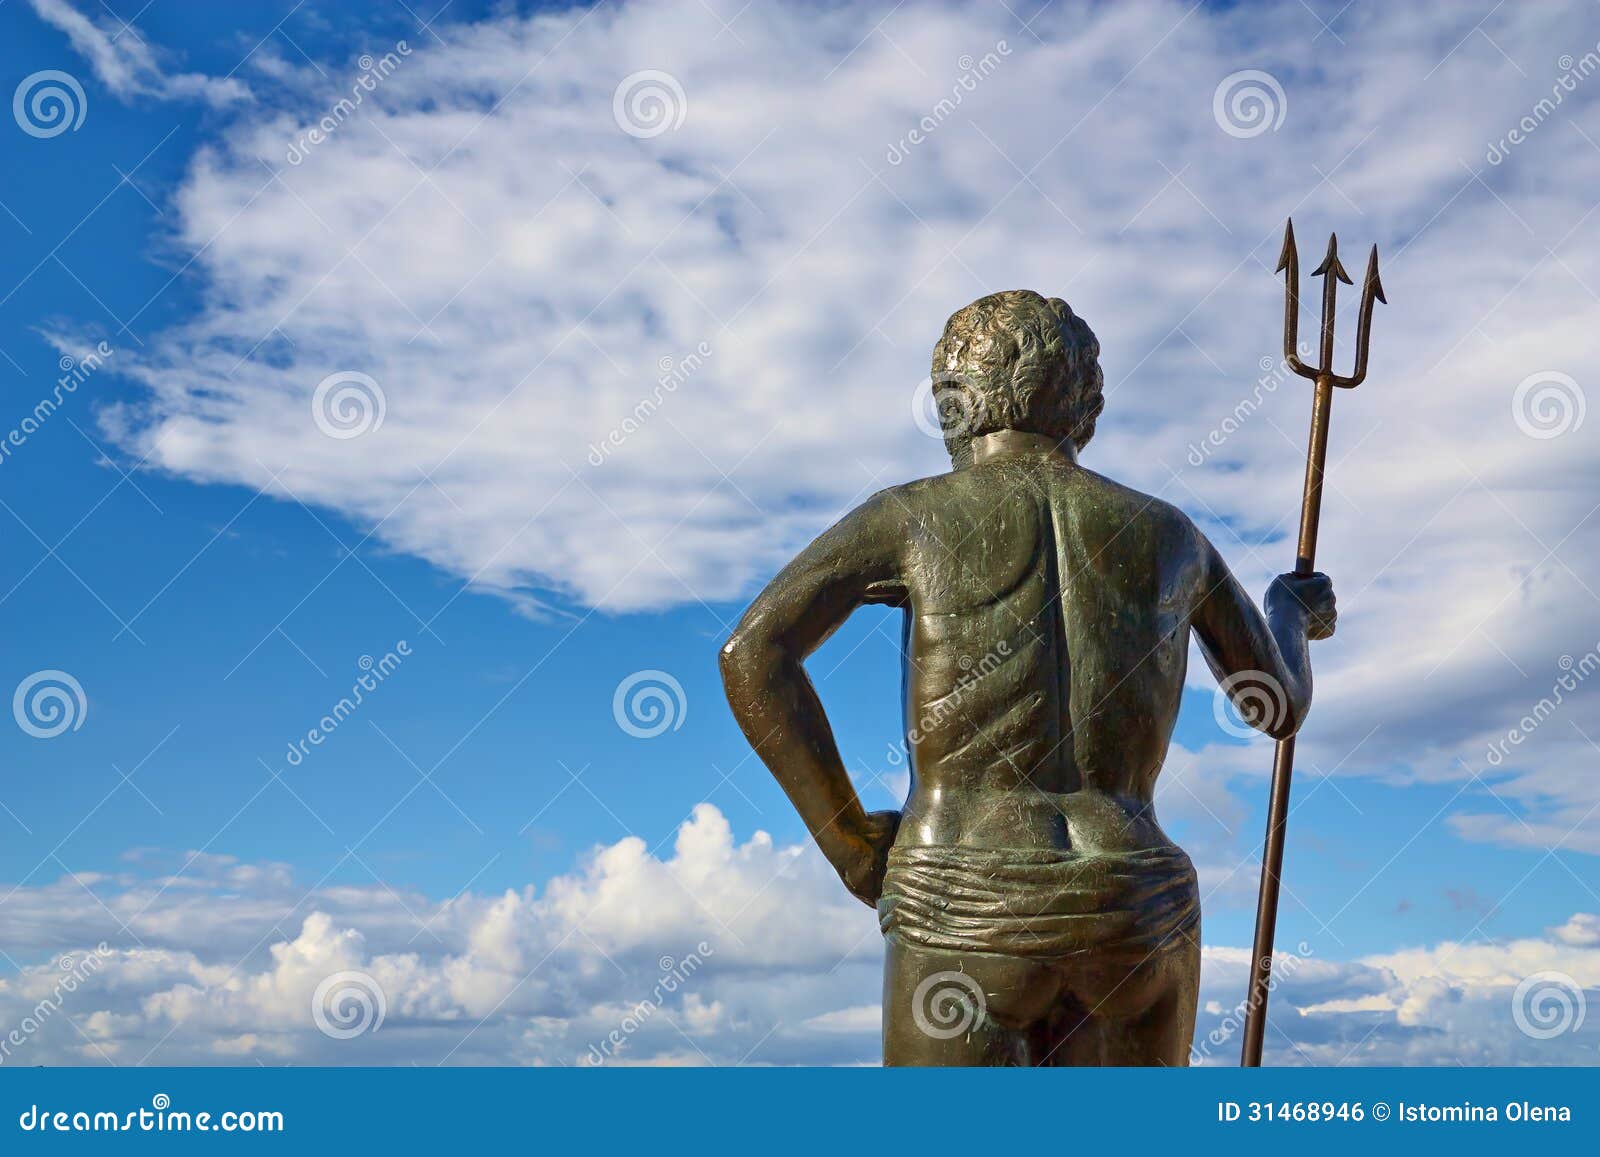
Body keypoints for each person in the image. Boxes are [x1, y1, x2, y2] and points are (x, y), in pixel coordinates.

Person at [719, 290, 1336, 1065]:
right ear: (1084, 404)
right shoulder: (1171, 533)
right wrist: (1290, 613)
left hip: (965, 904)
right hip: (1134, 904)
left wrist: (849, 842)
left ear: (957, 401)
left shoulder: (912, 516)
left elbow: (752, 653)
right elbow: (1278, 704)